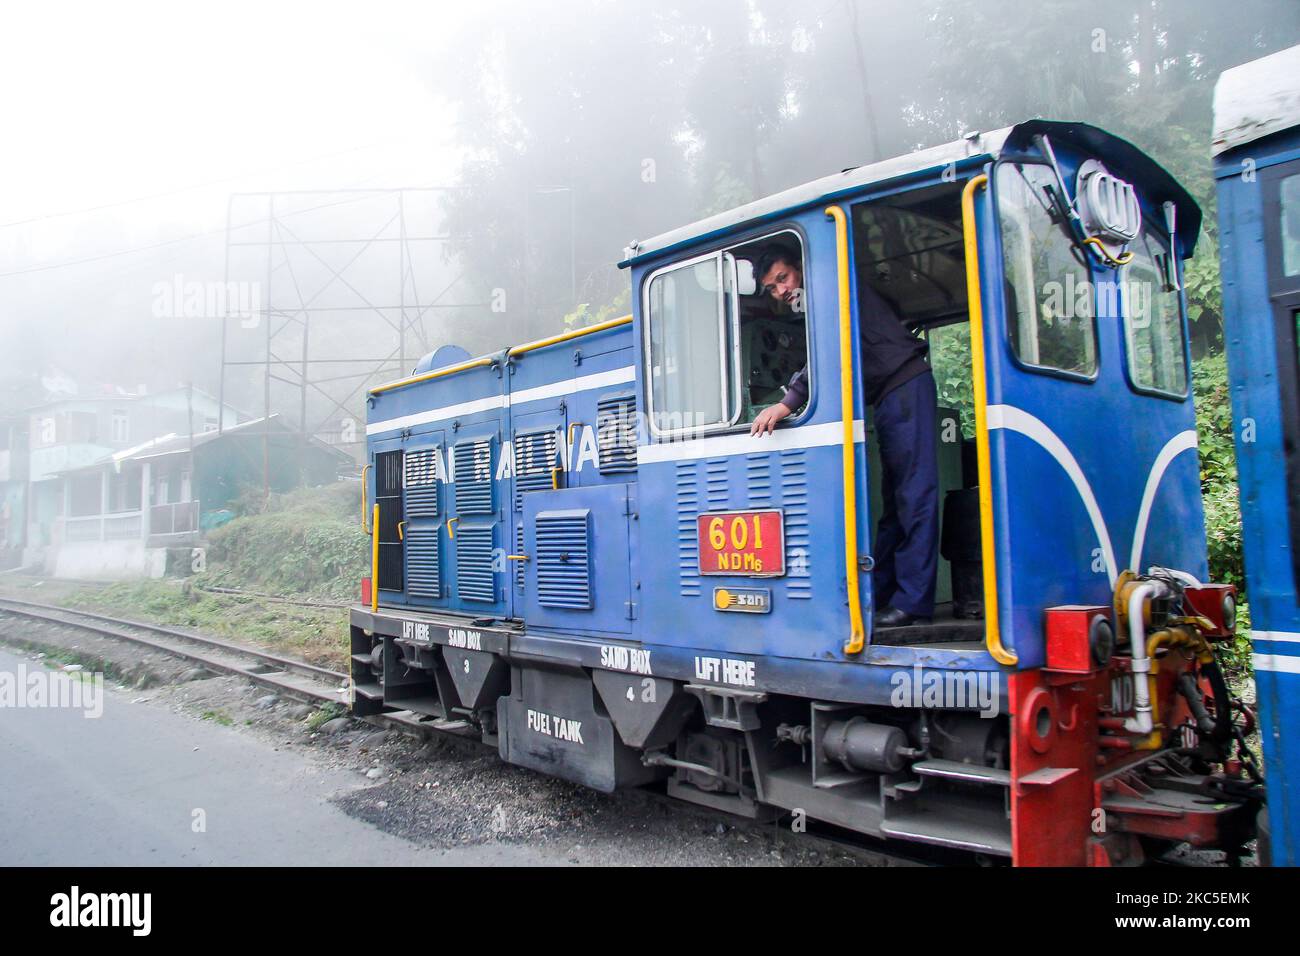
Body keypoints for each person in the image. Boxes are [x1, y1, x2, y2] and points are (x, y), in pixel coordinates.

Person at [749, 244, 939, 628]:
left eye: (783, 279)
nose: (781, 291)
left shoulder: (829, 288)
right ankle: (882, 593)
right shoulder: (816, 298)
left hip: (906, 387)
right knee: (895, 503)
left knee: (915, 497)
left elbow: (827, 353)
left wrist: (786, 404)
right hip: (889, 398)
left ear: (801, 268)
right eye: (772, 288)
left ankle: (914, 603)